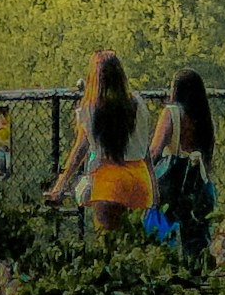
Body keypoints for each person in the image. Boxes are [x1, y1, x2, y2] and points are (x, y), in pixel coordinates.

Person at [45, 53, 152, 242]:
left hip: (108, 181)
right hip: (139, 180)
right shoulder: (138, 103)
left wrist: (60, 184)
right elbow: (146, 149)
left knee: (109, 245)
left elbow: (80, 149)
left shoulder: (90, 108)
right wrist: (154, 185)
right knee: (136, 247)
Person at [150, 70, 219, 262]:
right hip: (198, 180)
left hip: (173, 182)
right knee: (196, 233)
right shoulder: (202, 117)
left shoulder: (172, 112)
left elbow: (156, 149)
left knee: (165, 233)